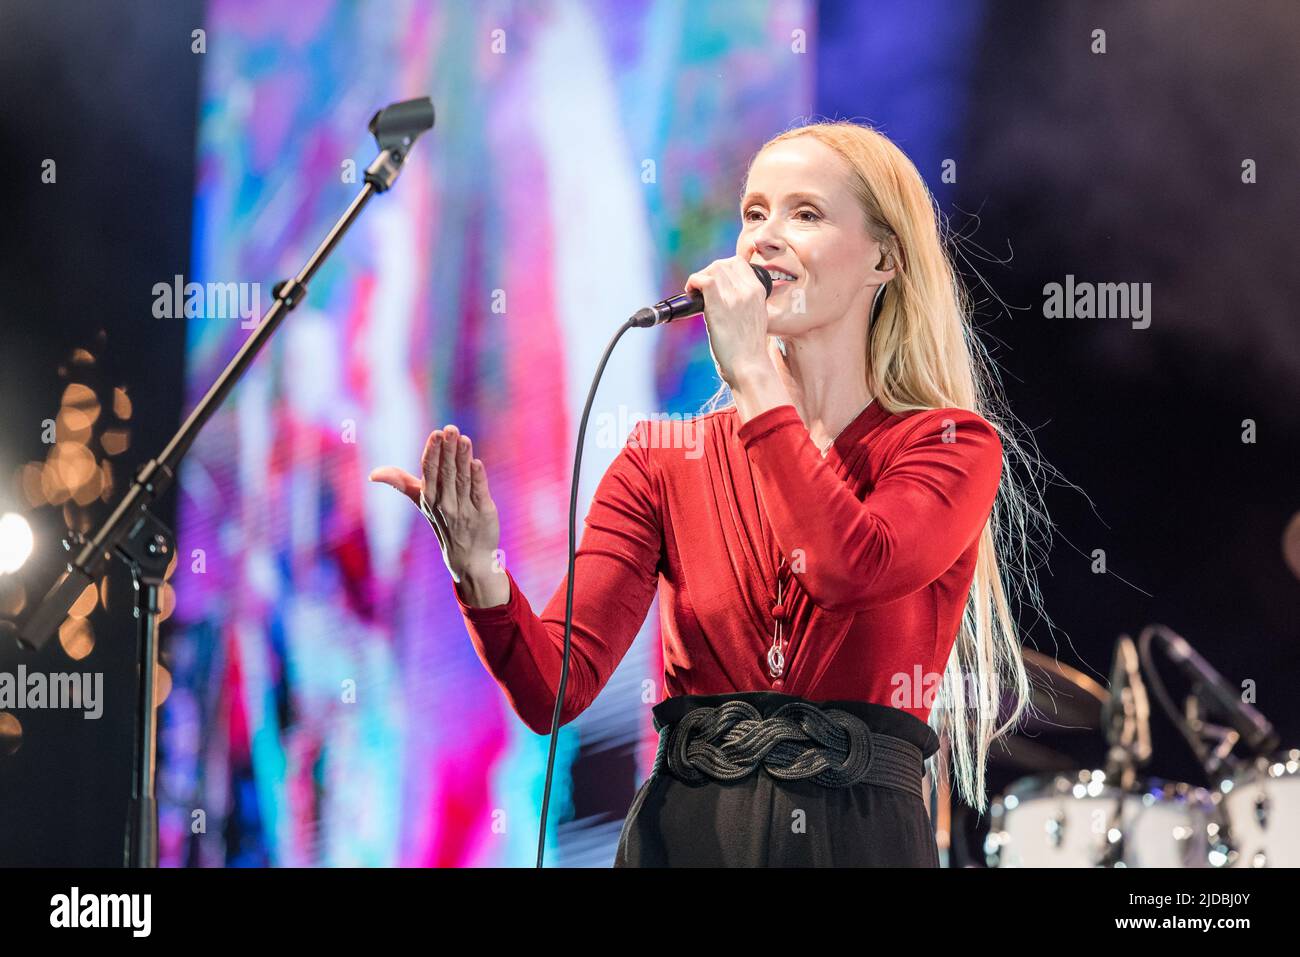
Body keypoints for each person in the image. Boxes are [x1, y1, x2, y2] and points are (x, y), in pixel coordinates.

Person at [369, 119, 1037, 867]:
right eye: (754, 213)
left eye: (805, 213)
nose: (764, 238)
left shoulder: (947, 445)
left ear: (884, 256)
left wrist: (754, 376)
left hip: (857, 838)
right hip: (687, 836)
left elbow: (850, 565)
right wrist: (478, 568)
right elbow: (552, 689)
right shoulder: (664, 458)